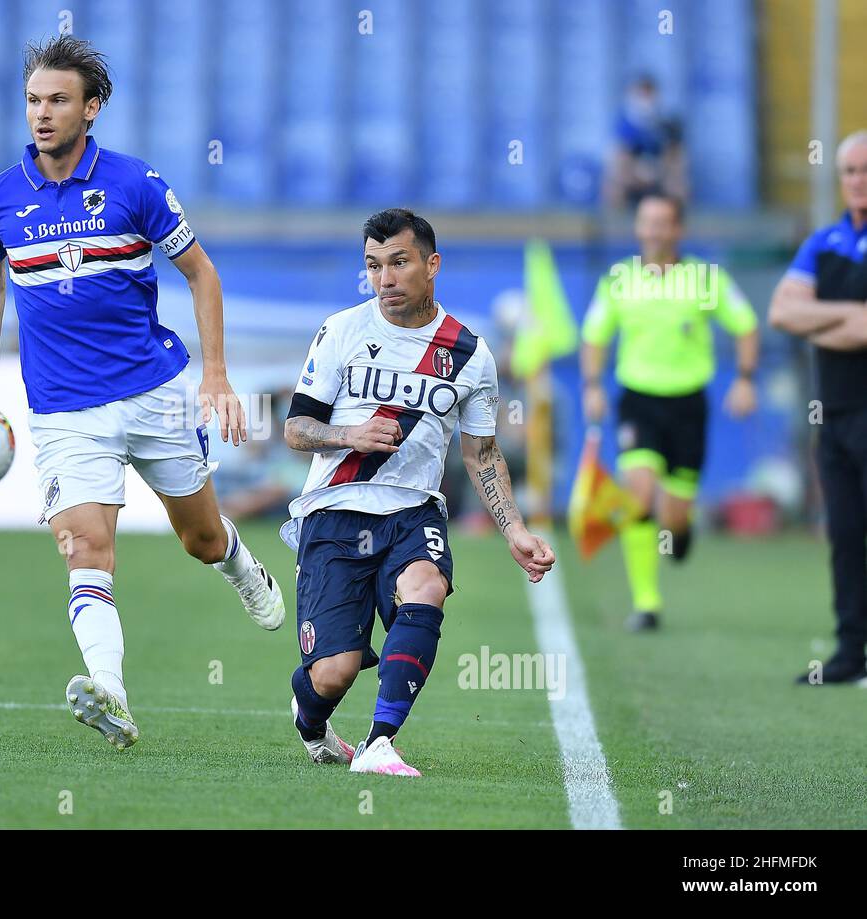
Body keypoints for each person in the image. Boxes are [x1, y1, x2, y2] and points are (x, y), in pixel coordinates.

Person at [0, 35, 283, 750]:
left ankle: (238, 564)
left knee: (199, 538)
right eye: (33, 100)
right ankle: (111, 692)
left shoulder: (136, 184)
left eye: (58, 100)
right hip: (64, 409)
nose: (42, 114)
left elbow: (202, 274)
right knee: (87, 550)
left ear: (92, 107)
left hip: (154, 392)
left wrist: (216, 376)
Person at [281, 209, 555, 777]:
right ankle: (310, 716)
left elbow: (482, 453)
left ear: (432, 265)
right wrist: (350, 435)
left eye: (399, 263)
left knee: (426, 588)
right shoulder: (342, 330)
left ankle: (380, 742)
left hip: (413, 510)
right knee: (333, 673)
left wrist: (515, 530)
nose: (385, 279)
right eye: (374, 265)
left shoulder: (469, 353)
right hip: (334, 510)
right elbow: (296, 430)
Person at [580, 193, 758, 632]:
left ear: (678, 229)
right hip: (638, 402)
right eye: (647, 221)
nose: (654, 230)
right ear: (638, 227)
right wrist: (593, 386)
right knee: (639, 496)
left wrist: (744, 378)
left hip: (687, 406)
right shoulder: (619, 279)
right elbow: (594, 335)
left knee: (674, 516)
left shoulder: (705, 279)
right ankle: (646, 602)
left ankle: (680, 530)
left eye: (663, 222)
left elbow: (746, 324)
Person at [769, 129, 867, 685]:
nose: (858, 180)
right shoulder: (825, 241)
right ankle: (851, 651)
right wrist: (850, 315)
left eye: (866, 170)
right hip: (834, 414)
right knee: (845, 535)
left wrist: (819, 318)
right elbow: (783, 313)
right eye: (850, 171)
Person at [603, 75, 687, 210]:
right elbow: (620, 157)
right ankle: (616, 220)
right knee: (613, 184)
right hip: (633, 176)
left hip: (660, 175)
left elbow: (676, 156)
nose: (645, 100)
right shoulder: (624, 123)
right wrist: (638, 173)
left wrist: (658, 171)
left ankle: (676, 219)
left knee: (678, 184)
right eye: (641, 95)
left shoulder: (669, 123)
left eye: (649, 95)